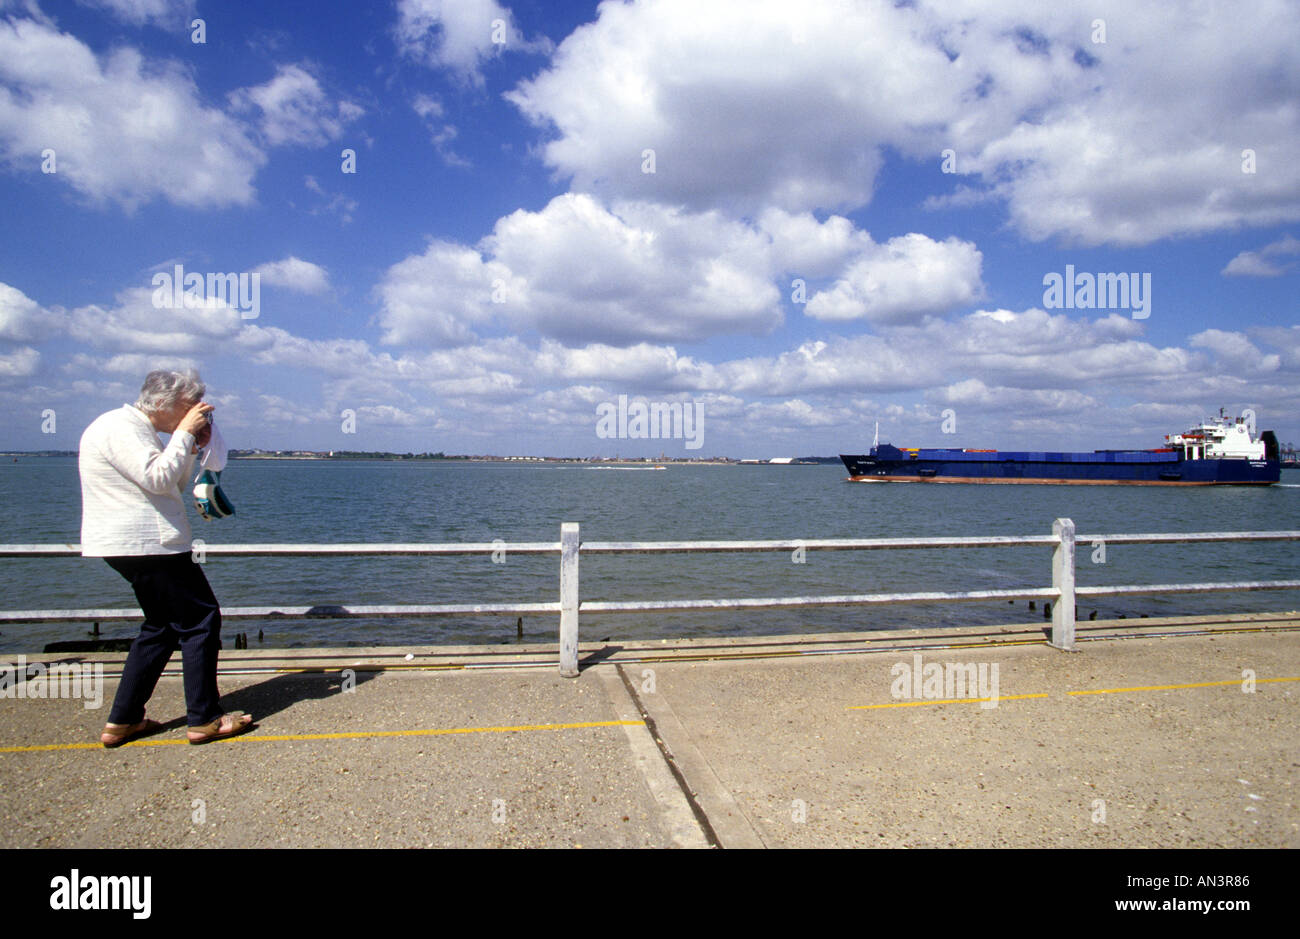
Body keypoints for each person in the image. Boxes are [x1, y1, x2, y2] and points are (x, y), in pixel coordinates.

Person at [79, 369, 253, 746]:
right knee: (201, 619)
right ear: (164, 403)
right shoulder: (119, 426)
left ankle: (123, 721)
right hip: (149, 544)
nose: (200, 414)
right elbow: (158, 478)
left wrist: (189, 446)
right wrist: (186, 433)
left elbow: (170, 481)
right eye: (192, 406)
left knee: (161, 627)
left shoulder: (134, 429)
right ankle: (205, 718)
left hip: (135, 545)